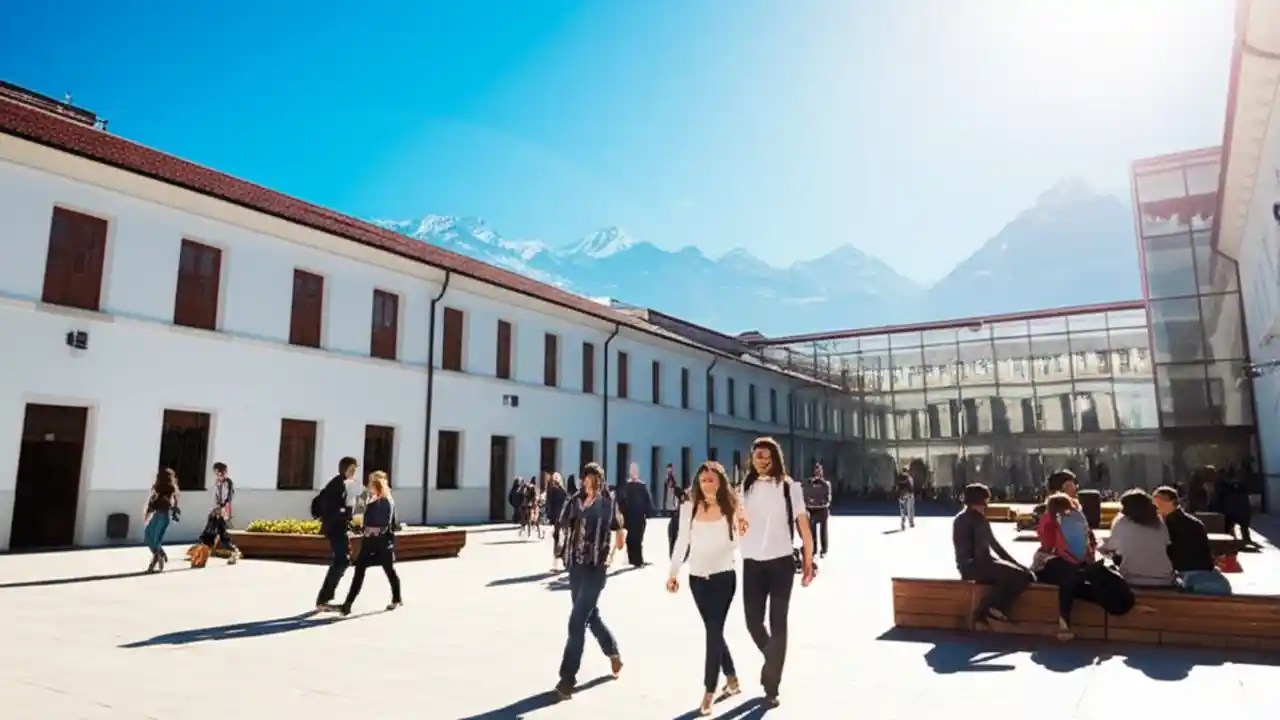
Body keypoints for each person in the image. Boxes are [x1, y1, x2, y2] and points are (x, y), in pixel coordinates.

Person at [737, 437, 814, 709]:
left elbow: (803, 524)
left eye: (767, 456)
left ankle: (772, 686)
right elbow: (738, 521)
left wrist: (808, 558)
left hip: (781, 562)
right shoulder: (744, 488)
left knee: (778, 623)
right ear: (752, 458)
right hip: (752, 563)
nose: (762, 460)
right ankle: (773, 660)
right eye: (758, 455)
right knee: (752, 622)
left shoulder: (789, 486)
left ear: (775, 458)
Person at [668, 461, 743, 716]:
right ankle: (731, 678)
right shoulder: (689, 507)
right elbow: (682, 541)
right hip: (697, 578)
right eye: (703, 481)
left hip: (724, 576)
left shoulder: (731, 506)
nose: (707, 484)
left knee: (713, 630)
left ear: (720, 481)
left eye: (711, 480)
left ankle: (709, 691)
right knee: (714, 630)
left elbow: (739, 541)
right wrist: (673, 572)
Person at [554, 462, 626, 702]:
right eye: (585, 477)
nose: (587, 481)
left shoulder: (607, 502)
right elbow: (562, 523)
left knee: (577, 620)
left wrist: (619, 541)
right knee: (589, 616)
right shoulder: (575, 500)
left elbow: (618, 526)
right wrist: (560, 546)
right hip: (575, 567)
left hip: (596, 569)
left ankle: (567, 678)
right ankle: (612, 650)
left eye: (592, 477)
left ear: (600, 480)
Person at [953, 483, 1033, 627]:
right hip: (978, 565)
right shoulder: (979, 520)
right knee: (1022, 576)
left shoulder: (959, 518)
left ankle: (986, 612)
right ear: (980, 501)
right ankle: (990, 608)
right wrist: (1017, 566)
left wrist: (1009, 564)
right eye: (986, 500)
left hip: (965, 567)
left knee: (1009, 573)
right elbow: (992, 547)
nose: (987, 505)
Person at [1034, 492, 1098, 640]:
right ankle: (1064, 619)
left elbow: (1047, 544)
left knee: (1068, 577)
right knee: (1071, 577)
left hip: (1051, 565)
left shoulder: (1049, 520)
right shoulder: (1077, 521)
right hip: (1069, 564)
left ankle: (1064, 621)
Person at [340, 471, 402, 615]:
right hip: (369, 541)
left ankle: (397, 598)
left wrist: (366, 525)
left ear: (378, 485)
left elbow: (385, 522)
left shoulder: (386, 501)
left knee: (389, 570)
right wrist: (359, 523)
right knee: (359, 570)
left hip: (382, 541)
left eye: (371, 483)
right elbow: (361, 518)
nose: (368, 486)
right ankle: (348, 604)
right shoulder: (368, 499)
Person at [1152, 486, 1232, 595]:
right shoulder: (1195, 522)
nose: (1155, 508)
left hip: (1183, 573)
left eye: (1157, 504)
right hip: (1203, 569)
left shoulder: (1165, 526)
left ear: (1168, 503)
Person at [1100, 489, 1174, 588]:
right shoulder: (1158, 521)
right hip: (1164, 579)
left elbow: (1111, 547)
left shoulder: (1122, 522)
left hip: (1133, 578)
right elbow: (1166, 542)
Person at [314, 456, 358, 612]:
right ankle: (323, 599)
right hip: (335, 528)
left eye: (355, 470)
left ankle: (324, 598)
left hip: (340, 527)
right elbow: (331, 507)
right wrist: (345, 512)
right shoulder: (336, 484)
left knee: (343, 560)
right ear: (344, 469)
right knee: (342, 560)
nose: (354, 472)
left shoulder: (344, 484)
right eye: (351, 469)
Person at [143, 468, 180, 573]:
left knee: (152, 537)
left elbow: (153, 502)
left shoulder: (168, 489)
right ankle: (160, 554)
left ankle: (156, 558)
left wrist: (147, 513)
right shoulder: (161, 488)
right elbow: (153, 502)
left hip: (160, 515)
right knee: (152, 537)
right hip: (160, 515)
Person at [619, 462, 653, 566]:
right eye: (632, 471)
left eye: (635, 471)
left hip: (639, 516)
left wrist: (649, 512)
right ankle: (632, 559)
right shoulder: (627, 485)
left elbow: (647, 500)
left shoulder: (642, 486)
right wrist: (622, 512)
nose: (633, 473)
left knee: (638, 538)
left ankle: (638, 560)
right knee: (630, 539)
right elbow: (622, 500)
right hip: (629, 516)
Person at [804, 467, 832, 557]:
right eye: (816, 472)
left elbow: (828, 497)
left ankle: (824, 549)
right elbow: (806, 494)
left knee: (823, 531)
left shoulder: (826, 484)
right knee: (812, 531)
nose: (818, 474)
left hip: (822, 509)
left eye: (819, 472)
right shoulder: (809, 483)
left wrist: (824, 502)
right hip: (812, 510)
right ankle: (814, 549)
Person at [547, 472, 569, 572]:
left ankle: (561, 561)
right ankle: (560, 562)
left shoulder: (560, 492)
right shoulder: (555, 491)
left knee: (559, 539)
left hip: (560, 519)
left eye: (555, 481)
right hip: (558, 519)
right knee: (558, 539)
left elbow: (561, 506)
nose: (553, 483)